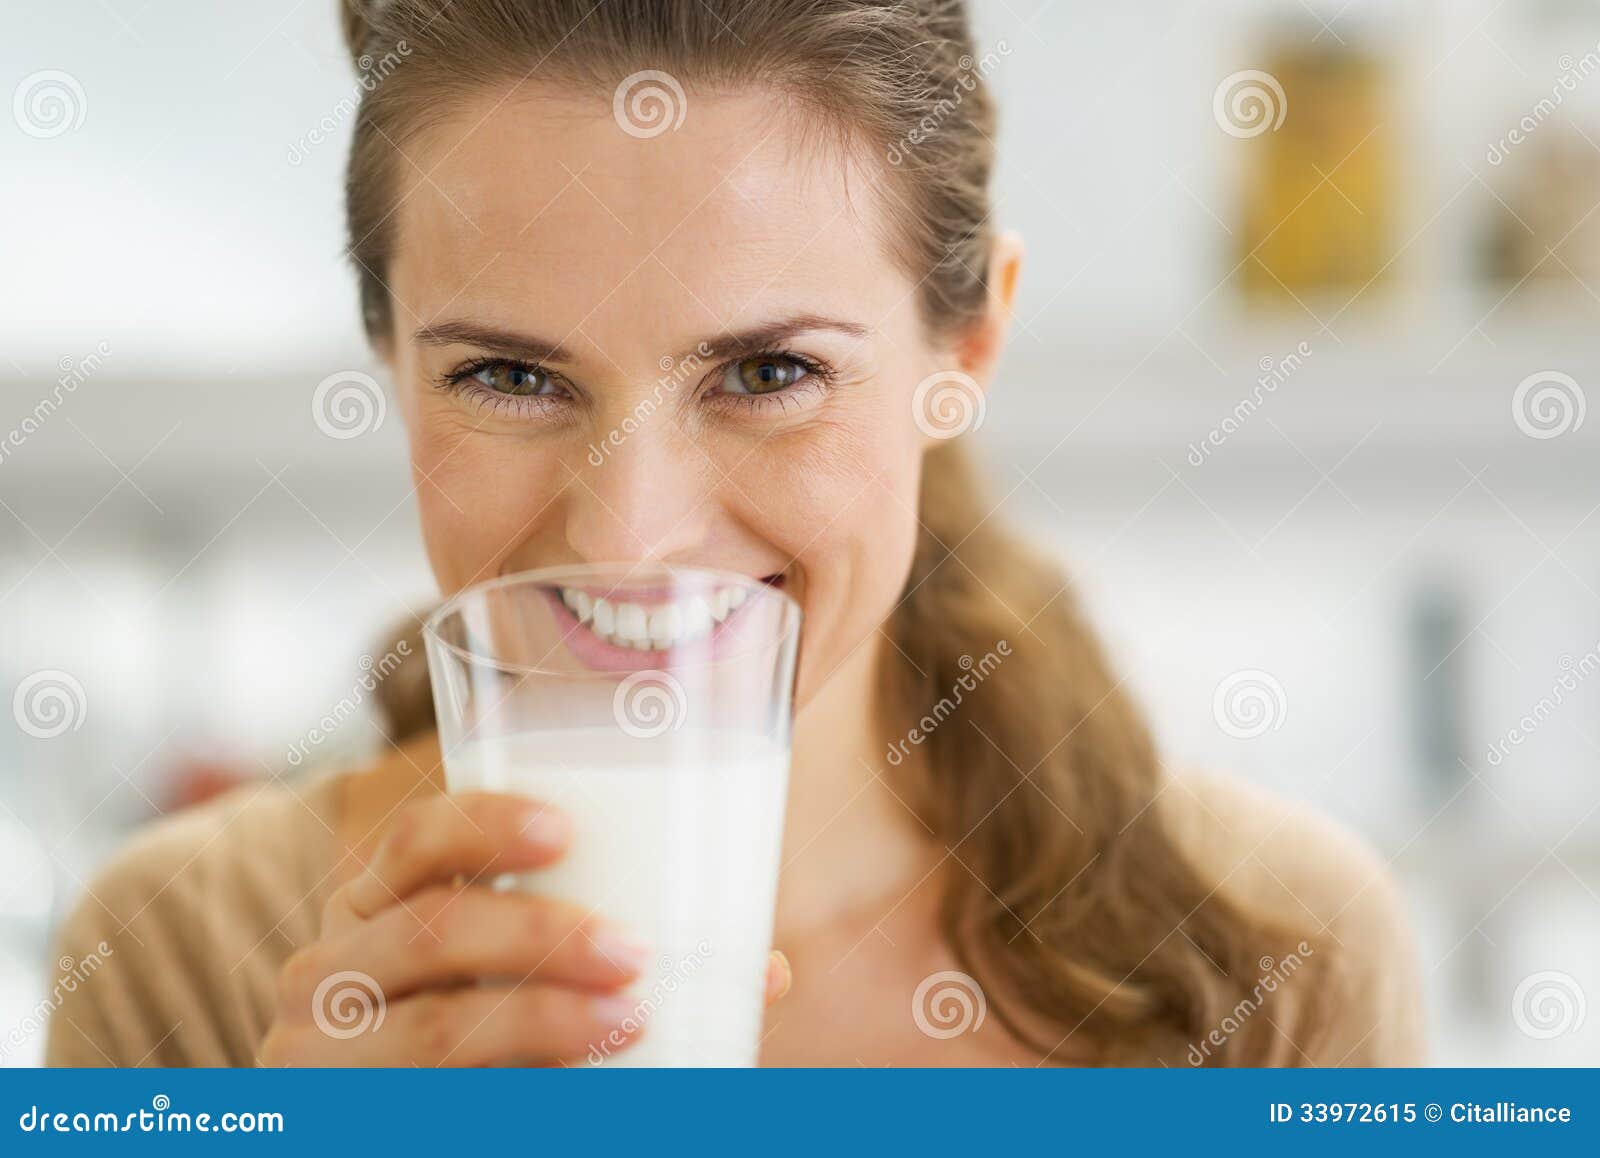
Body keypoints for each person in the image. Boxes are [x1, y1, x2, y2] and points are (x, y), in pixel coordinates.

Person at [46, 0, 1423, 1068]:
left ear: (967, 347)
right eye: (509, 376)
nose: (633, 535)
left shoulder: (1277, 960)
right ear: (389, 360)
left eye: (769, 372)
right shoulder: (185, 963)